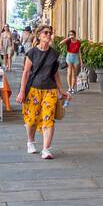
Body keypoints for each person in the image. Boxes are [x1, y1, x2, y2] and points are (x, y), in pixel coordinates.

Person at [18, 24, 69, 159]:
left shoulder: (54, 54)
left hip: (50, 91)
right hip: (33, 90)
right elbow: (26, 73)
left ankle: (46, 149)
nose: (48, 35)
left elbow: (55, 74)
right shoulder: (32, 53)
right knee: (31, 119)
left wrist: (61, 90)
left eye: (50, 33)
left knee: (48, 118)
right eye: (46, 33)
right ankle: (30, 141)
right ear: (39, 35)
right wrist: (22, 91)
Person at [64, 29, 82, 93]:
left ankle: (72, 88)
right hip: (69, 56)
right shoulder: (68, 41)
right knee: (69, 73)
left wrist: (81, 61)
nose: (71, 36)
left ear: (75, 35)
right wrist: (68, 38)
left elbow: (79, 52)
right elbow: (61, 43)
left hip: (76, 57)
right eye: (70, 34)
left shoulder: (78, 42)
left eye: (72, 34)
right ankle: (69, 87)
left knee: (74, 74)